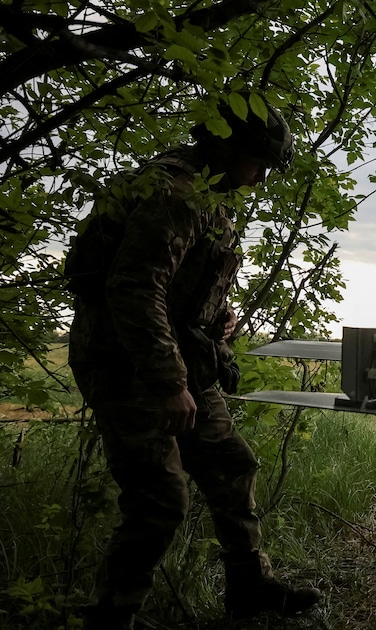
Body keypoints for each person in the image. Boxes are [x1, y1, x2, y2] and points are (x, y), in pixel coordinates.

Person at [64, 99, 321, 629]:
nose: (258, 180)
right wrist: (169, 383)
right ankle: (110, 616)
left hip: (180, 361)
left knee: (230, 465)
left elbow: (180, 283)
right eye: (258, 165)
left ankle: (249, 586)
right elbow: (134, 288)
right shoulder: (173, 193)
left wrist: (218, 316)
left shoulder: (211, 195)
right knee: (159, 500)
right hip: (129, 366)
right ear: (226, 148)